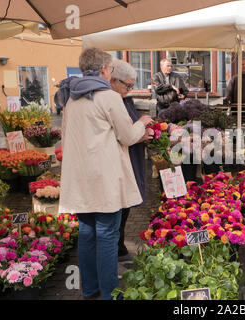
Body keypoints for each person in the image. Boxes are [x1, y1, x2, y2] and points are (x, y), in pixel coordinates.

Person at [58, 48, 153, 300]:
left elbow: (66, 138)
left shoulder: (71, 97)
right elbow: (127, 135)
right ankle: (110, 294)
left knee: (87, 233)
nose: (110, 72)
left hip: (80, 179)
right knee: (107, 235)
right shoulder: (109, 97)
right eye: (110, 68)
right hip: (105, 181)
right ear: (103, 70)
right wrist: (142, 123)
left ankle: (90, 290)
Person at [109, 59, 147, 261]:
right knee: (120, 205)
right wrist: (141, 128)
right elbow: (123, 135)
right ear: (114, 79)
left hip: (131, 157)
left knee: (126, 205)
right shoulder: (110, 102)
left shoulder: (125, 100)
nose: (129, 89)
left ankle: (119, 244)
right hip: (121, 160)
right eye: (127, 85)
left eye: (132, 86)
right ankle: (116, 247)